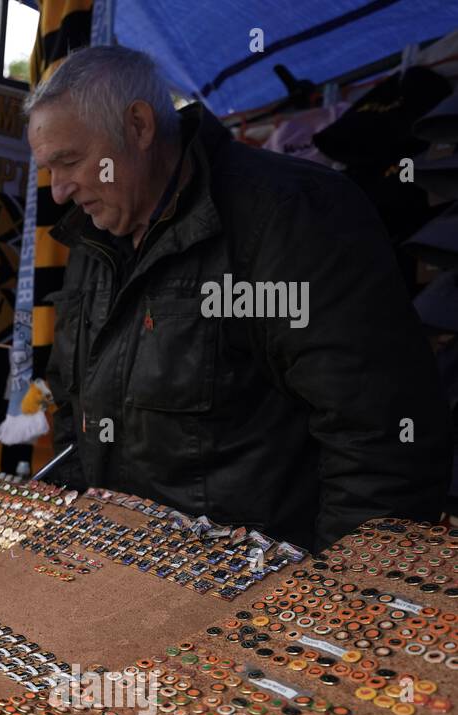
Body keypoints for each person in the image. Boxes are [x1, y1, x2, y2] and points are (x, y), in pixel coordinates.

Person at [26, 45, 450, 552]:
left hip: (257, 603)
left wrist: (337, 601)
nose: (57, 192)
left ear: (138, 126)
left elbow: (381, 440)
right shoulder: (94, 244)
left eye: (69, 161)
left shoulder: (291, 216)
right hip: (121, 582)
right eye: (48, 168)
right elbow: (77, 417)